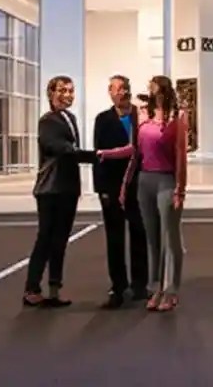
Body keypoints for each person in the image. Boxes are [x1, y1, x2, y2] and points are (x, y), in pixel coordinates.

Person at [23, 75, 99, 308]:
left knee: (60, 241)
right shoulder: (48, 121)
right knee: (45, 238)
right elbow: (61, 149)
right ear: (51, 94)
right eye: (62, 90)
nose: (67, 95)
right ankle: (32, 288)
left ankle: (54, 289)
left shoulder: (70, 118)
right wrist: (98, 156)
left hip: (67, 188)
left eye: (70, 90)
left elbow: (70, 150)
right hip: (50, 189)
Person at [120, 75, 188, 313]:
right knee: (152, 238)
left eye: (155, 90)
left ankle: (171, 290)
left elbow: (181, 154)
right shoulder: (142, 115)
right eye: (149, 89)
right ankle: (156, 287)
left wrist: (181, 187)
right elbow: (135, 152)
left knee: (170, 238)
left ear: (164, 92)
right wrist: (125, 183)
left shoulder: (177, 117)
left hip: (167, 180)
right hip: (145, 180)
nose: (151, 94)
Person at [91, 75, 150, 309]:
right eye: (117, 89)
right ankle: (118, 286)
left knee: (139, 235)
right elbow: (99, 156)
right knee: (114, 239)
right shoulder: (102, 120)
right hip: (112, 188)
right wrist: (101, 189)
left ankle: (139, 285)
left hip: (139, 185)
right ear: (110, 92)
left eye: (125, 88)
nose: (122, 93)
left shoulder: (142, 116)